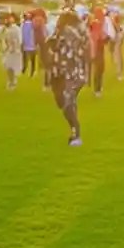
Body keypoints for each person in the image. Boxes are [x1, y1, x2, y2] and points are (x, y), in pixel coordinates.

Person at [48, 10, 89, 146]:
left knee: (67, 103)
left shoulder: (68, 32)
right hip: (66, 72)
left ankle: (76, 134)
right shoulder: (67, 31)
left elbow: (53, 45)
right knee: (66, 103)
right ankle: (74, 131)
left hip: (70, 72)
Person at [0, 12, 23, 91]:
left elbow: (19, 40)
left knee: (12, 67)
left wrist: (15, 47)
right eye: (8, 18)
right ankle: (10, 80)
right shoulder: (5, 29)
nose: (8, 20)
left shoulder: (16, 29)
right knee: (7, 66)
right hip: (7, 50)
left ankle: (12, 82)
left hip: (15, 51)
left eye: (10, 18)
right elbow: (2, 38)